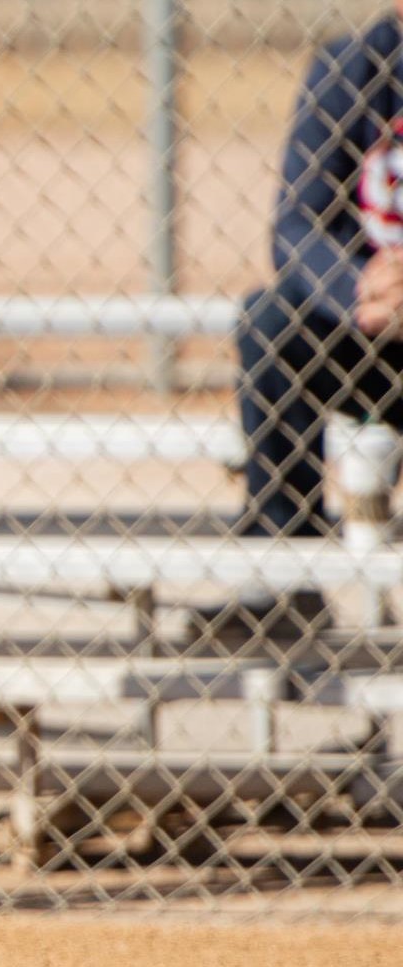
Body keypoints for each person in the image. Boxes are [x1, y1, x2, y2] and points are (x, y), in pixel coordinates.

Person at [189, 4, 403, 653]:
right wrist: (358, 291)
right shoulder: (355, 67)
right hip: (367, 332)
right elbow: (296, 224)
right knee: (270, 320)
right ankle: (283, 580)